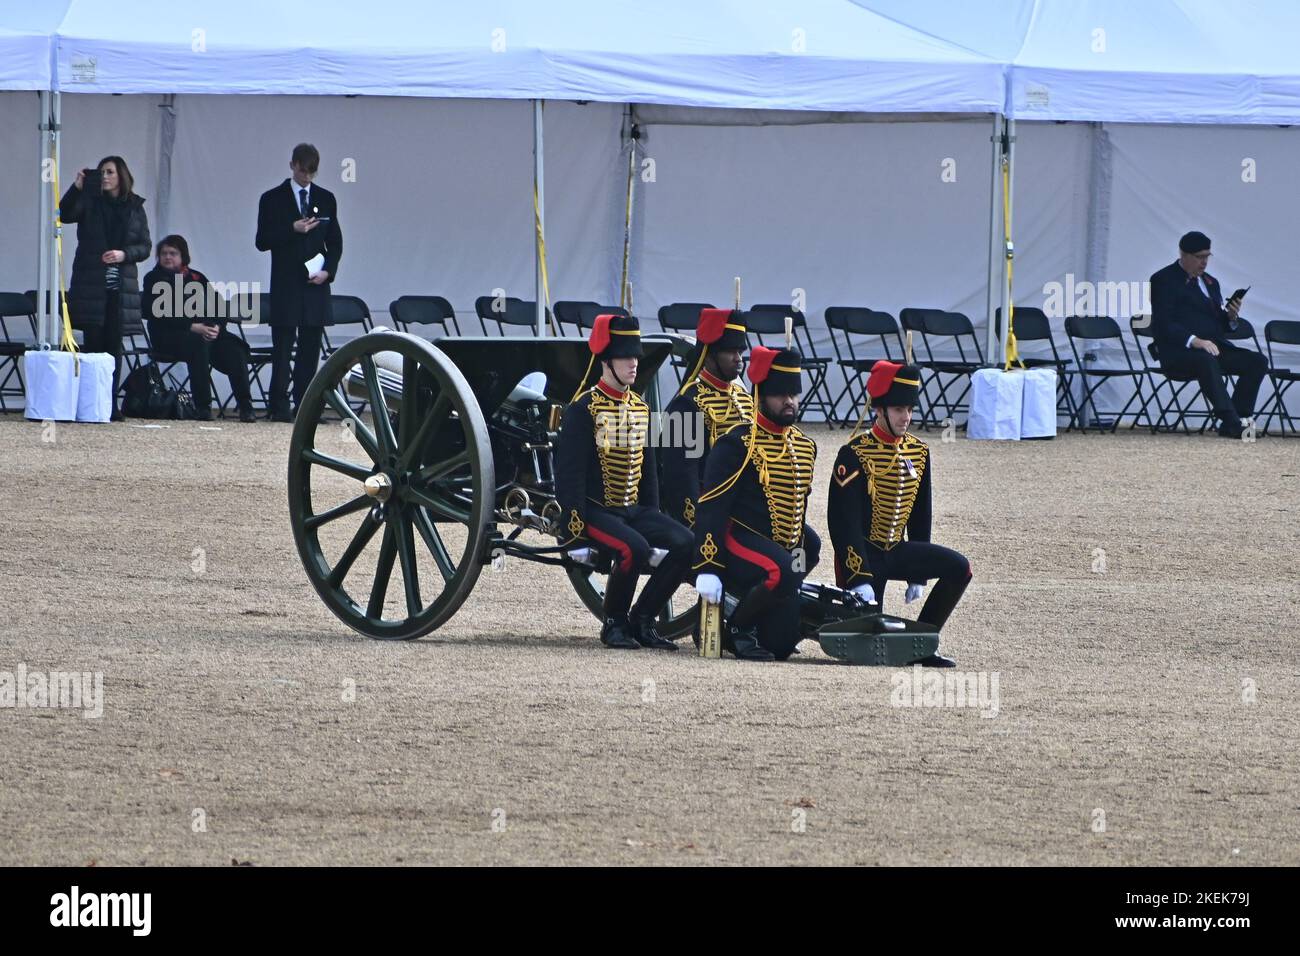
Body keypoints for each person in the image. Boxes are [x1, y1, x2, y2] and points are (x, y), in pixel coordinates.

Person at [555, 314, 694, 650]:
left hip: (633, 509)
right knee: (634, 549)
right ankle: (614, 622)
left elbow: (648, 471)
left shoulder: (640, 408)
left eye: (635, 356)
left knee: (686, 543)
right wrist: (573, 530)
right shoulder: (583, 409)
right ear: (606, 361)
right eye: (625, 357)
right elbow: (569, 475)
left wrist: (653, 513)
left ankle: (643, 619)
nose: (634, 363)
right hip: (596, 510)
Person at [827, 361, 968, 667]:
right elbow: (843, 523)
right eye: (898, 410)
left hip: (896, 548)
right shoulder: (854, 454)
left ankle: (924, 641)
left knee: (960, 568)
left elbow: (921, 512)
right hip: (865, 555)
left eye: (909, 409)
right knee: (869, 647)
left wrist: (918, 575)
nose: (906, 417)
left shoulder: (919, 451)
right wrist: (858, 575)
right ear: (879, 410)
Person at [691, 347, 819, 661]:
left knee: (781, 644)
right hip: (740, 537)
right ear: (761, 394)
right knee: (784, 570)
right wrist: (707, 566)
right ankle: (738, 627)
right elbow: (712, 505)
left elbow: (798, 506)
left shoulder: (805, 445)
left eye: (793, 394)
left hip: (780, 543)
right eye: (780, 394)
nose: (789, 401)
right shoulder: (737, 443)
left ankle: (764, 602)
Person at [1149, 231, 1268, 438]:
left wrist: (1230, 317)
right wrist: (1194, 341)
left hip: (1213, 348)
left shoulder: (1211, 282)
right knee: (1205, 360)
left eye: (1207, 256)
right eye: (1199, 257)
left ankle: (1239, 418)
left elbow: (1217, 324)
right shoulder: (1163, 279)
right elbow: (1163, 322)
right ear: (1183, 254)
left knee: (1256, 361)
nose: (1204, 262)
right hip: (1179, 351)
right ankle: (1229, 419)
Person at [59, 156, 151, 421]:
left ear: (121, 175)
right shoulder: (90, 202)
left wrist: (124, 254)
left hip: (120, 288)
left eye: (110, 172)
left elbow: (145, 246)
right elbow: (64, 214)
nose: (106, 176)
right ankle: (90, 403)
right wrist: (77, 187)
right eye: (102, 172)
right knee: (94, 345)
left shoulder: (135, 206)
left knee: (114, 347)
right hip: (92, 285)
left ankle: (110, 404)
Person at [255, 143, 342, 422]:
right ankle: (278, 405)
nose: (307, 177)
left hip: (315, 283)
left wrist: (328, 271)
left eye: (312, 173)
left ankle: (305, 405)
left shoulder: (326, 198)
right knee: (282, 346)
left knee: (310, 347)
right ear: (292, 165)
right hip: (286, 283)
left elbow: (335, 242)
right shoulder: (272, 199)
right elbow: (262, 241)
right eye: (303, 171)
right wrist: (291, 229)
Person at [141, 235, 255, 422]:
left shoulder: (197, 277)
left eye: (173, 253)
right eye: (164, 253)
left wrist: (217, 326)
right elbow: (153, 311)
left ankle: (245, 406)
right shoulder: (153, 279)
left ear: (183, 256)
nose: (167, 257)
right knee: (198, 344)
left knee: (235, 348)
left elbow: (218, 306)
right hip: (169, 336)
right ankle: (203, 407)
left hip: (205, 333)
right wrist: (192, 326)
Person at [660, 308, 753, 528]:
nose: (738, 359)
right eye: (730, 352)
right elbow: (681, 479)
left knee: (808, 543)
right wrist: (699, 527)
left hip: (748, 504)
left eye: (740, 351)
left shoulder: (744, 398)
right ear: (709, 354)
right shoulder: (686, 405)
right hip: (715, 508)